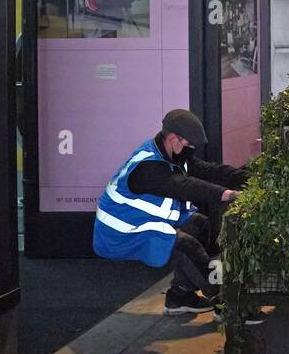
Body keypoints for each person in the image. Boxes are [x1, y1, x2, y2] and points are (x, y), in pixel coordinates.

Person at [93, 109, 259, 319]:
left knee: (206, 229)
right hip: (123, 232)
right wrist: (229, 195)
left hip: (146, 222)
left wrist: (251, 178)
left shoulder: (175, 155)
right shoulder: (147, 167)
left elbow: (210, 171)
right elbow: (186, 186)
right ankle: (228, 306)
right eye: (189, 145)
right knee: (187, 247)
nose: (192, 150)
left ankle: (179, 297)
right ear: (173, 139)